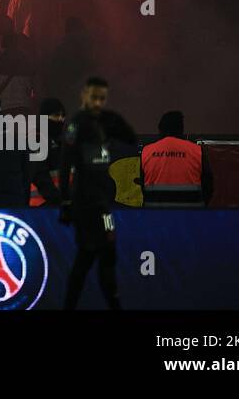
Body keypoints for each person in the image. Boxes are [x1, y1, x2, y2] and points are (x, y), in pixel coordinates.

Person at [58, 77, 136, 309]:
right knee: (89, 256)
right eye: (94, 97)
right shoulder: (76, 124)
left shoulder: (106, 122)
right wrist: (66, 201)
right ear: (84, 95)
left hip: (103, 205)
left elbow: (129, 138)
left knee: (104, 256)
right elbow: (64, 165)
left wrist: (114, 123)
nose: (98, 103)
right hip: (85, 204)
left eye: (102, 98)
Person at [141, 111, 213, 206]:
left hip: (156, 215)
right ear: (181, 129)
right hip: (191, 215)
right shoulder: (197, 151)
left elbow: (143, 187)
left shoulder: (147, 151)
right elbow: (208, 187)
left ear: (160, 129)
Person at [30, 97, 66, 205]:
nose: (60, 119)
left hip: (58, 204)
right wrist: (60, 201)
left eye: (63, 115)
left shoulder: (62, 141)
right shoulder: (35, 140)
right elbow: (40, 176)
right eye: (56, 115)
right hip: (41, 206)